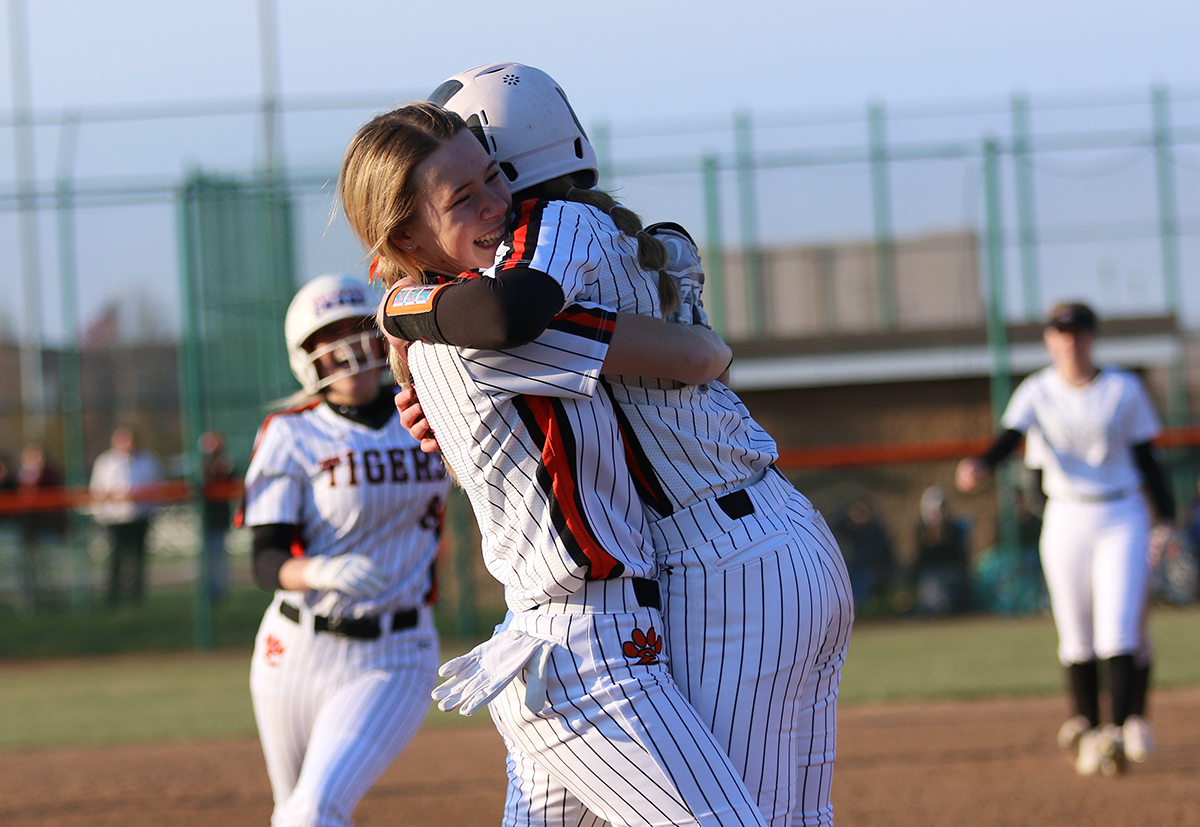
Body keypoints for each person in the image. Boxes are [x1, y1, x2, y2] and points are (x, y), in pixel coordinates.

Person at [360, 63, 853, 827]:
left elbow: (510, 315)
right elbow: (685, 355)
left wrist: (400, 307)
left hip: (698, 572)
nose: (492, 205)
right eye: (464, 195)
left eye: (491, 178)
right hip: (705, 569)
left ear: (510, 162)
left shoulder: (541, 246)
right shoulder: (606, 234)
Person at [241, 274, 451, 827]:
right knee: (293, 813)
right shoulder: (291, 433)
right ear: (305, 356)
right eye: (327, 338)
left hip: (396, 648)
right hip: (295, 646)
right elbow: (264, 560)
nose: (347, 351)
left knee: (313, 812)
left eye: (356, 331)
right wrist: (319, 569)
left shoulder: (430, 409)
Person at [956, 301, 1175, 777]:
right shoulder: (1038, 390)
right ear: (1050, 341)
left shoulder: (1122, 388)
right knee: (1075, 633)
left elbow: (1147, 458)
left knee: (1119, 626)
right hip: (1066, 516)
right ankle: (1091, 729)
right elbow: (1009, 437)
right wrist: (981, 465)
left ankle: (1116, 731)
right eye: (1060, 333)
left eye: (1077, 332)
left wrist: (1168, 518)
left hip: (1122, 512)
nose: (1069, 341)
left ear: (1092, 337)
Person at [89, 426, 162, 607]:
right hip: (115, 519)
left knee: (138, 558)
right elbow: (97, 490)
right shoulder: (105, 462)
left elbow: (157, 487)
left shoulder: (148, 460)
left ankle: (137, 598)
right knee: (116, 559)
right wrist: (102, 513)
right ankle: (113, 598)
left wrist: (151, 508)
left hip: (141, 516)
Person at [16, 444, 67, 611]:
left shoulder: (50, 476)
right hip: (28, 530)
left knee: (48, 566)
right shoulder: (20, 477)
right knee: (29, 565)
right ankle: (31, 598)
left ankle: (52, 598)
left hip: (47, 528)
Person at [910, 486, 971, 615]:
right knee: (938, 604)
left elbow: (960, 557)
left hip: (953, 573)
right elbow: (922, 560)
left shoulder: (954, 528)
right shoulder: (921, 530)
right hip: (932, 575)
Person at [833, 499, 896, 614]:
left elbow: (887, 556)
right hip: (854, 570)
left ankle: (856, 608)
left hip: (872, 571)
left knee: (863, 581)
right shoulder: (854, 532)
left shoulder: (876, 533)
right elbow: (837, 525)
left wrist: (884, 572)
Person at [198, 431, 234, 603]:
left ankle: (217, 592)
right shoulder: (201, 468)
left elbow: (232, 481)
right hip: (204, 520)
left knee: (218, 557)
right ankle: (208, 591)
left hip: (219, 520)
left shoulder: (225, 466)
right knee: (207, 558)